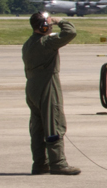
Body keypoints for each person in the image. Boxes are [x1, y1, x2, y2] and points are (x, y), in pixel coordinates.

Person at [23, 10, 81, 175]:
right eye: (47, 24)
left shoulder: (28, 44)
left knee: (37, 128)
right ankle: (58, 163)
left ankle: (40, 163)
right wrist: (59, 20)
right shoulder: (46, 43)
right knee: (54, 123)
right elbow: (71, 32)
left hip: (32, 87)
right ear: (42, 27)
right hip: (47, 85)